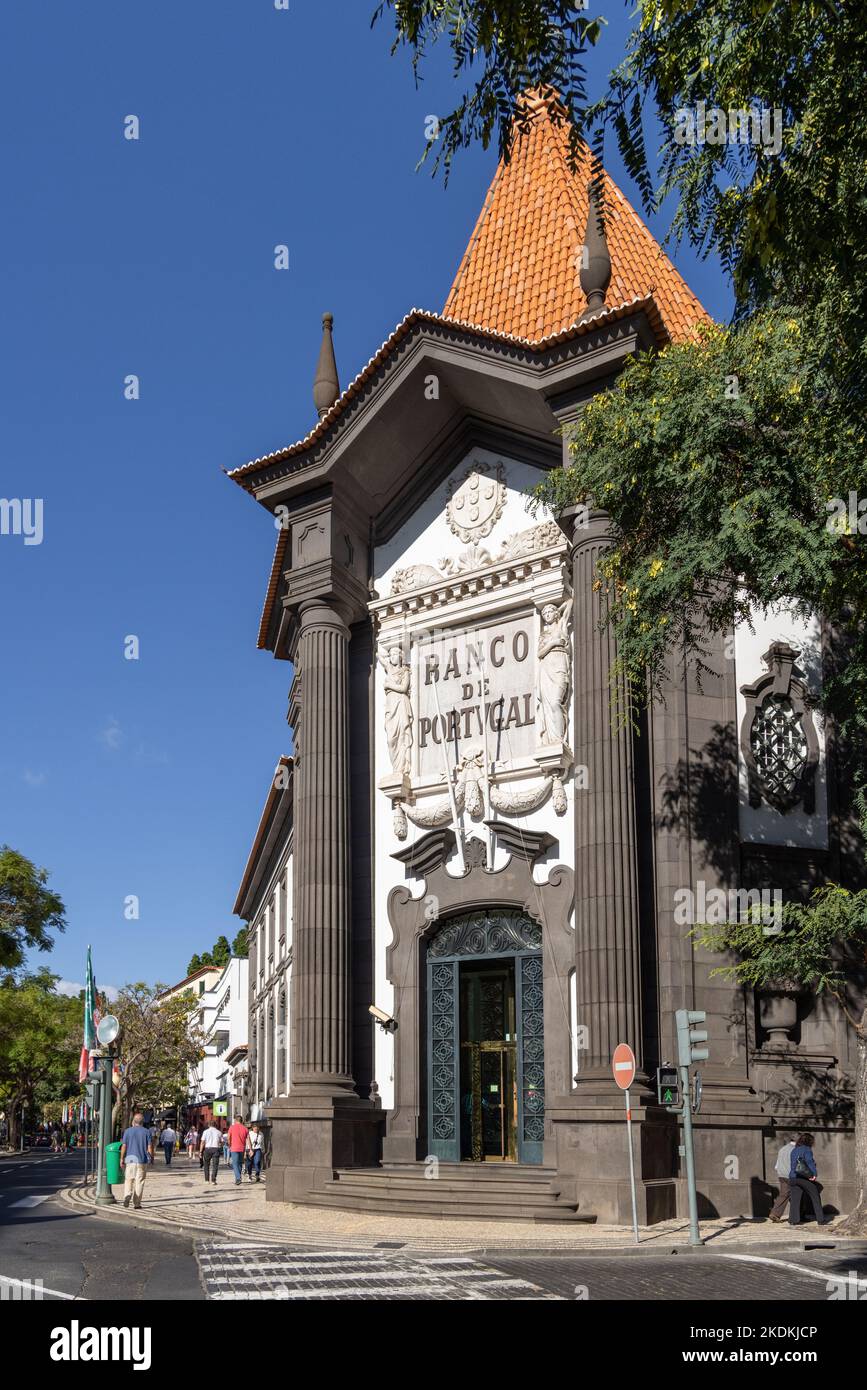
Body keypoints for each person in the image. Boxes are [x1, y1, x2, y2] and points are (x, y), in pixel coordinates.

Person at [788, 1132, 831, 1226]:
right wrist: (814, 1174)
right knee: (815, 1195)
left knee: (795, 1199)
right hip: (803, 1177)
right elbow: (809, 1162)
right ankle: (821, 1219)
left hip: (792, 1177)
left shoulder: (794, 1150)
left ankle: (793, 1220)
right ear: (809, 1141)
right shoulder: (807, 1149)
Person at [119, 1112, 154, 1210]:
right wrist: (151, 1158)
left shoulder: (127, 1131)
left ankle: (127, 1195)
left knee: (129, 1179)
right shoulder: (147, 1132)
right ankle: (137, 1203)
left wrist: (121, 1158)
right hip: (141, 1159)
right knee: (139, 1181)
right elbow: (150, 1147)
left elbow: (124, 1146)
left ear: (133, 1121)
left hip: (130, 1159)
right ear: (143, 1122)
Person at [769, 1136, 796, 1222]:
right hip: (790, 1175)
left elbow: (777, 1165)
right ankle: (798, 1215)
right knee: (798, 1194)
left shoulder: (782, 1149)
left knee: (784, 1194)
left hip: (781, 1174)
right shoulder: (795, 1150)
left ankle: (775, 1213)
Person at [226, 1116, 249, 1186]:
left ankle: (238, 1178)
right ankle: (238, 1178)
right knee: (239, 1163)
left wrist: (229, 1145)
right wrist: (249, 1149)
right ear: (241, 1120)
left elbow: (228, 1137)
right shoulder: (245, 1128)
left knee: (235, 1164)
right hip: (242, 1148)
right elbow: (248, 1139)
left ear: (236, 1120)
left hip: (234, 1148)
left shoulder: (232, 1127)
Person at [199, 1120, 223, 1185]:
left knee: (206, 1165)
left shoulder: (205, 1132)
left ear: (208, 1125)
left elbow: (202, 1142)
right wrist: (220, 1146)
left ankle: (206, 1180)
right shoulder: (219, 1132)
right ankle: (213, 1180)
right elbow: (222, 1142)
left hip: (207, 1149)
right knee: (215, 1165)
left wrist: (200, 1151)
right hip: (216, 1149)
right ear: (215, 1125)